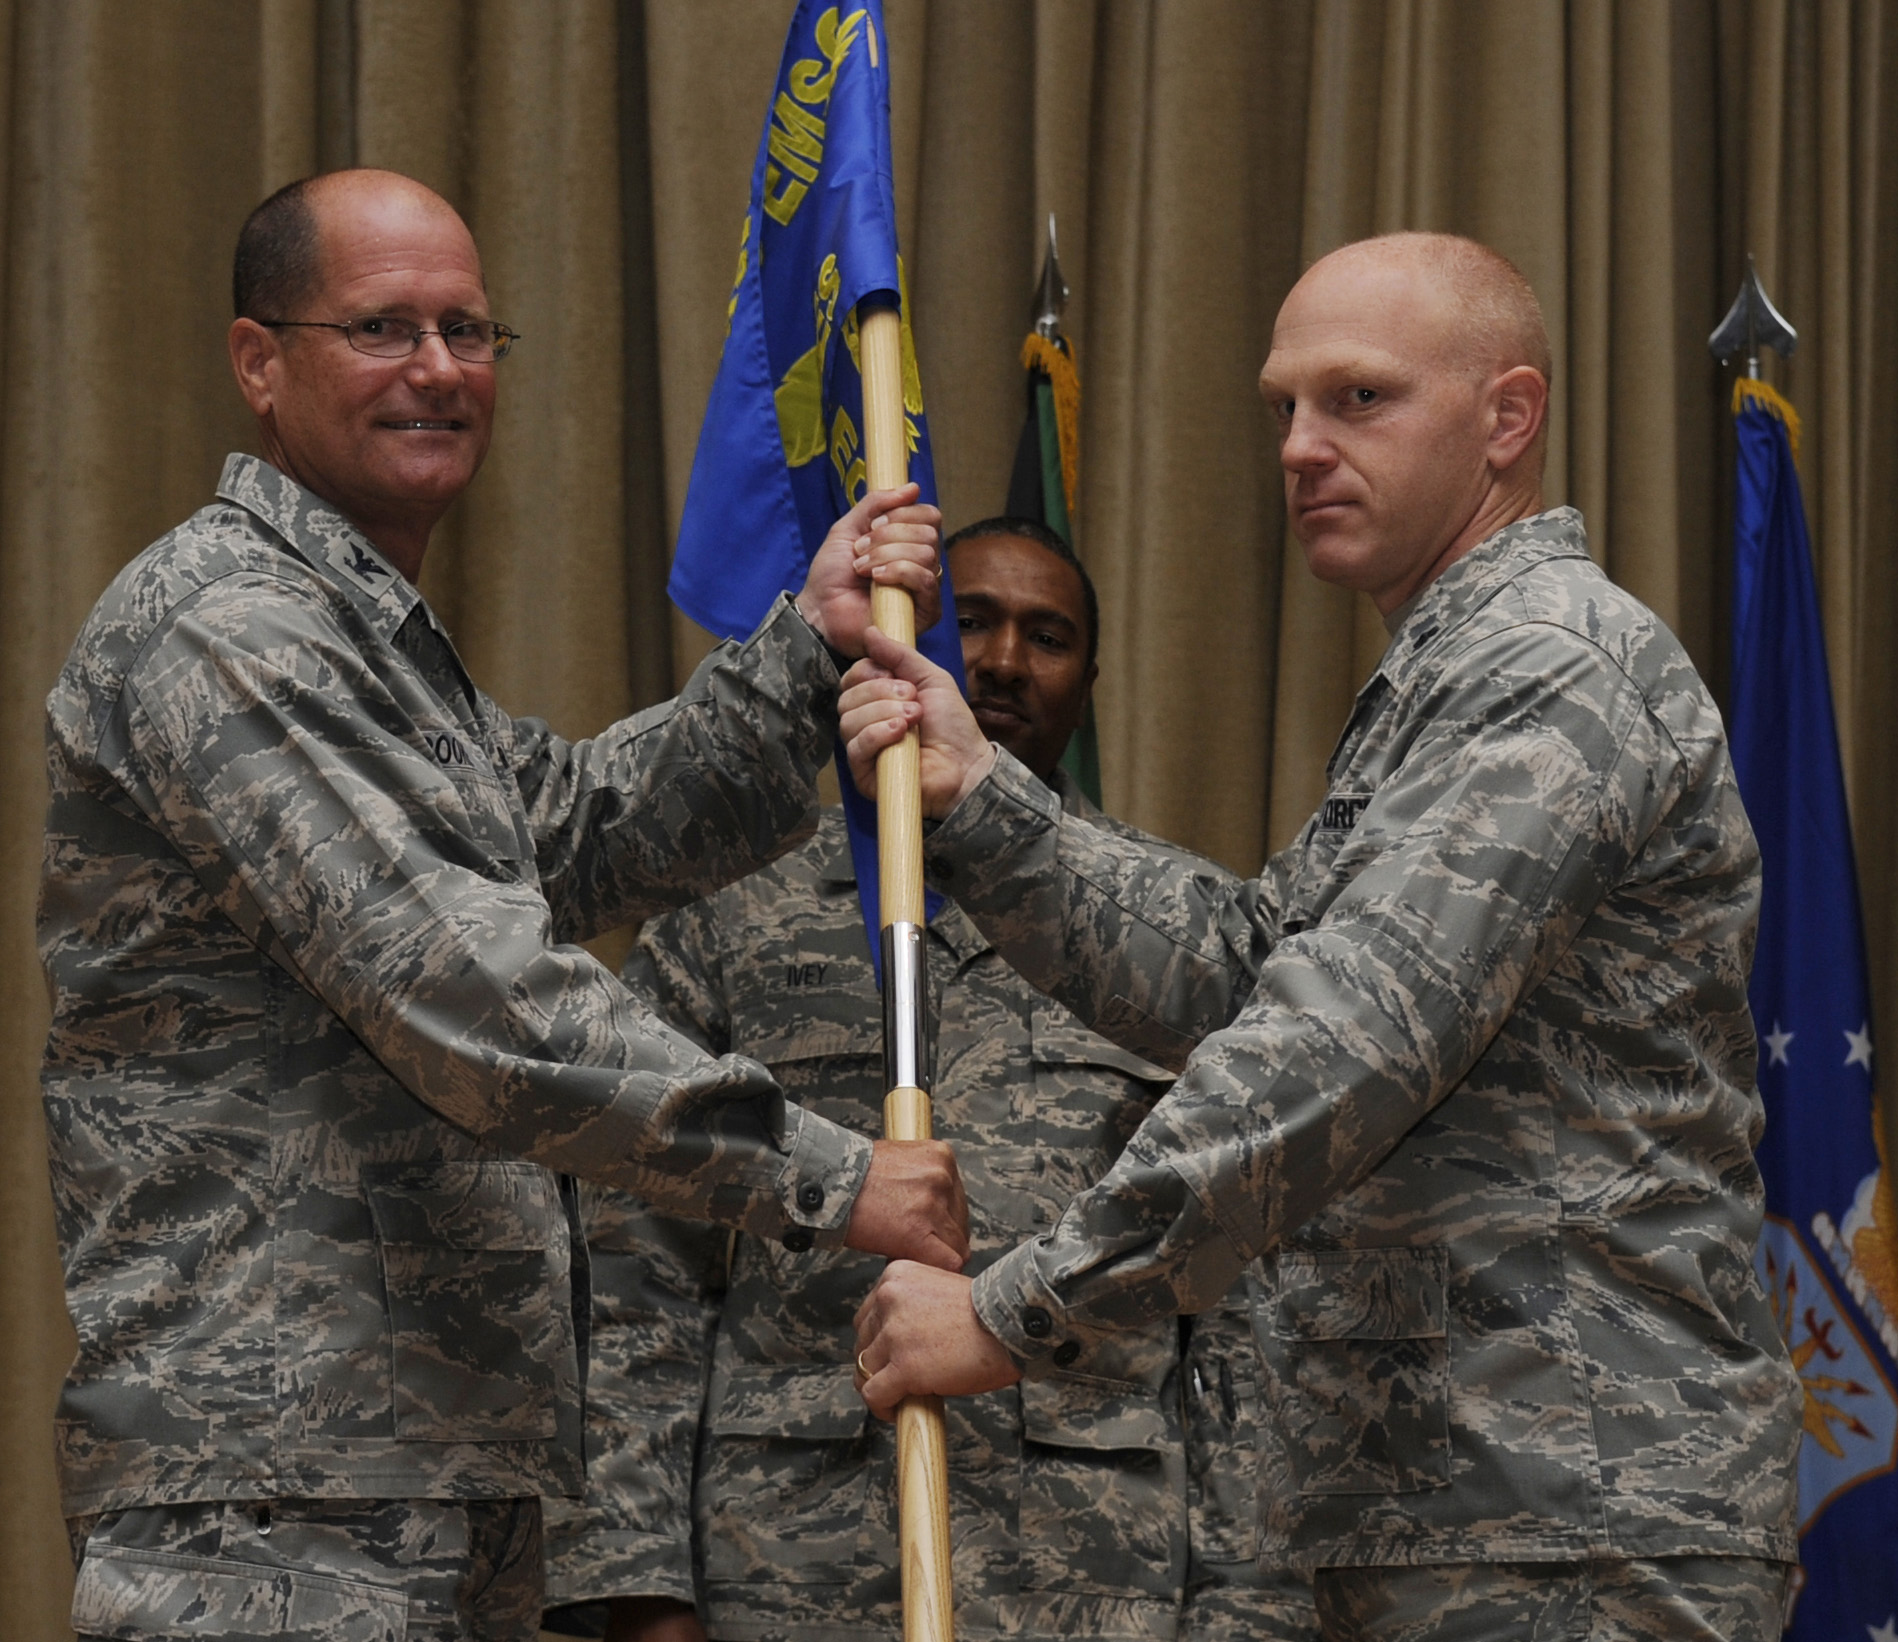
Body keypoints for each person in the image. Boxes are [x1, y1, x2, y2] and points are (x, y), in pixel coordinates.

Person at [42, 167, 968, 1642]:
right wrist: (819, 1172)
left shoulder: (378, 646)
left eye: (468, 331)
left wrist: (810, 643)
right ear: (257, 362)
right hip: (278, 1494)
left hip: (440, 1470)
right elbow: (467, 988)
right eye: (383, 328)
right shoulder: (227, 625)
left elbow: (579, 831)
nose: (436, 370)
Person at [841, 233, 1804, 1640]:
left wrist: (1015, 1309)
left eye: (1356, 399)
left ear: (1506, 419)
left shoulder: (1551, 666)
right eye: (1282, 406)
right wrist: (981, 795)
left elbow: (1331, 1047)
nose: (1298, 446)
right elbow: (1242, 974)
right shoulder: (1443, 671)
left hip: (1574, 1519)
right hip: (1426, 1506)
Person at [541, 520, 1315, 1642]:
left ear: (1089, 683)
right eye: (971, 621)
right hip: (784, 1562)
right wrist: (640, 1586)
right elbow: (634, 1271)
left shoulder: (1183, 941)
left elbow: (1245, 1306)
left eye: (1046, 637)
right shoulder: (731, 914)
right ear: (900, 634)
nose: (1002, 660)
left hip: (1091, 1573)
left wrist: (1249, 1608)